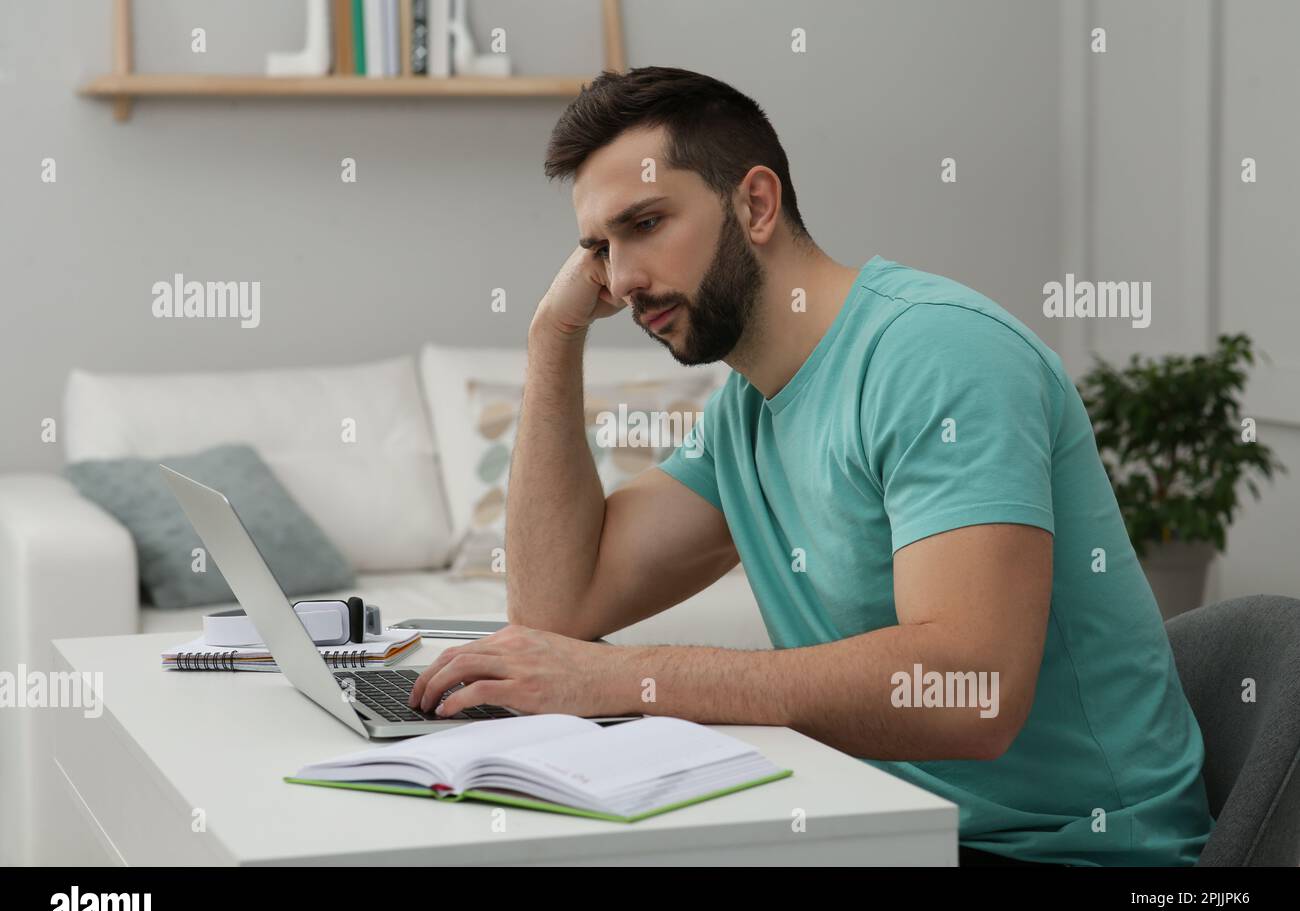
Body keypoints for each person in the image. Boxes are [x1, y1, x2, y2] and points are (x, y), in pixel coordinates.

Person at [410, 66, 1214, 866]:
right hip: (878, 828)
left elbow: (973, 693)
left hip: (1067, 855)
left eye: (646, 224)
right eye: (598, 249)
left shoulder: (937, 355)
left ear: (756, 203)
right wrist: (554, 335)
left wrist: (624, 680)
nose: (620, 280)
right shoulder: (746, 412)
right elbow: (555, 608)